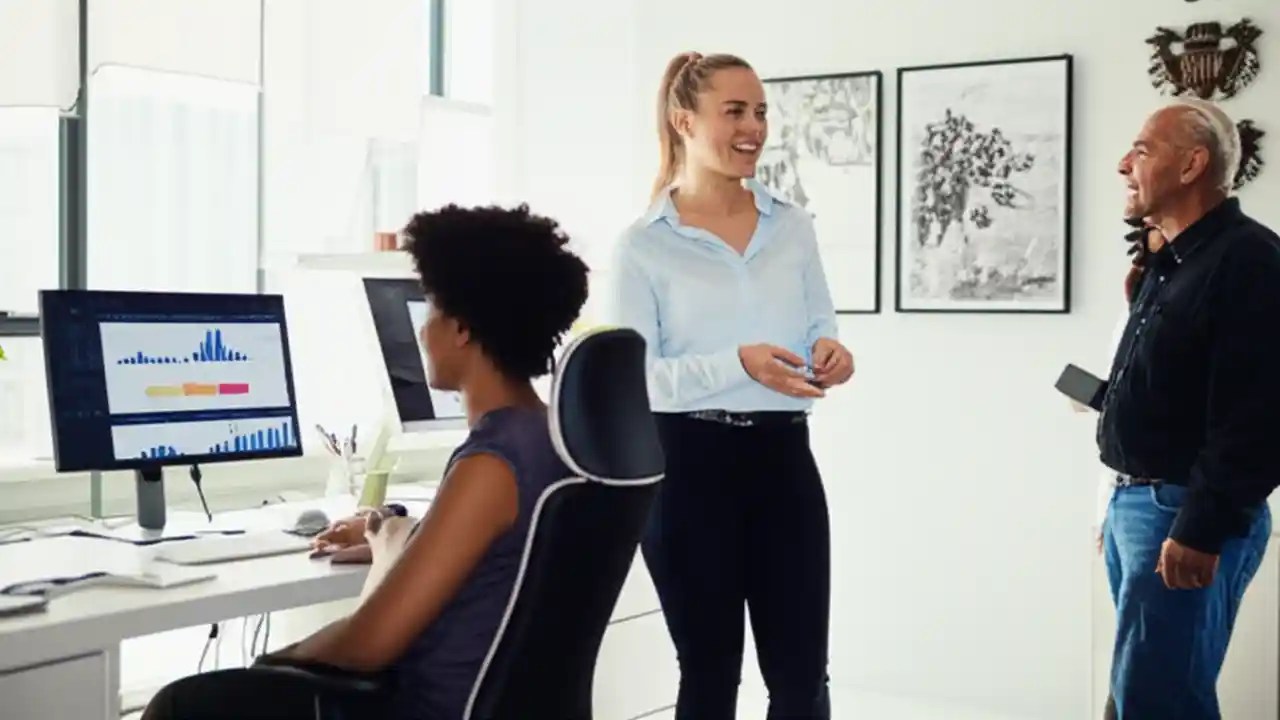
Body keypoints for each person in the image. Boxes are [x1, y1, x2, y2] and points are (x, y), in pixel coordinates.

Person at [141, 203, 590, 720]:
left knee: (181, 705)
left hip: (423, 708)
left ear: (461, 329)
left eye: (432, 310)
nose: (424, 331)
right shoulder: (550, 436)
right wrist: (400, 532)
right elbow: (503, 548)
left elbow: (369, 644)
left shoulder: (492, 461)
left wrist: (273, 660)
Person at [608, 51, 854, 720]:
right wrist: (736, 364)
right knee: (711, 676)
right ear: (685, 120)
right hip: (688, 472)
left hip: (784, 463)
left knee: (803, 679)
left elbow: (819, 326)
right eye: (736, 111)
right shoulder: (642, 246)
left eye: (762, 112)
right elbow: (640, 382)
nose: (755, 127)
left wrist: (831, 353)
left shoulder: (792, 226)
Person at [1099, 97, 1280, 719]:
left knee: (1158, 704)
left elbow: (1259, 413)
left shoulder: (1250, 260)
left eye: (1143, 151)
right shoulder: (1170, 262)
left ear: (1192, 165)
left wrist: (1198, 526)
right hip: (1141, 506)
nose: (1124, 164)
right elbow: (1178, 387)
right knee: (1139, 698)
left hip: (1180, 512)